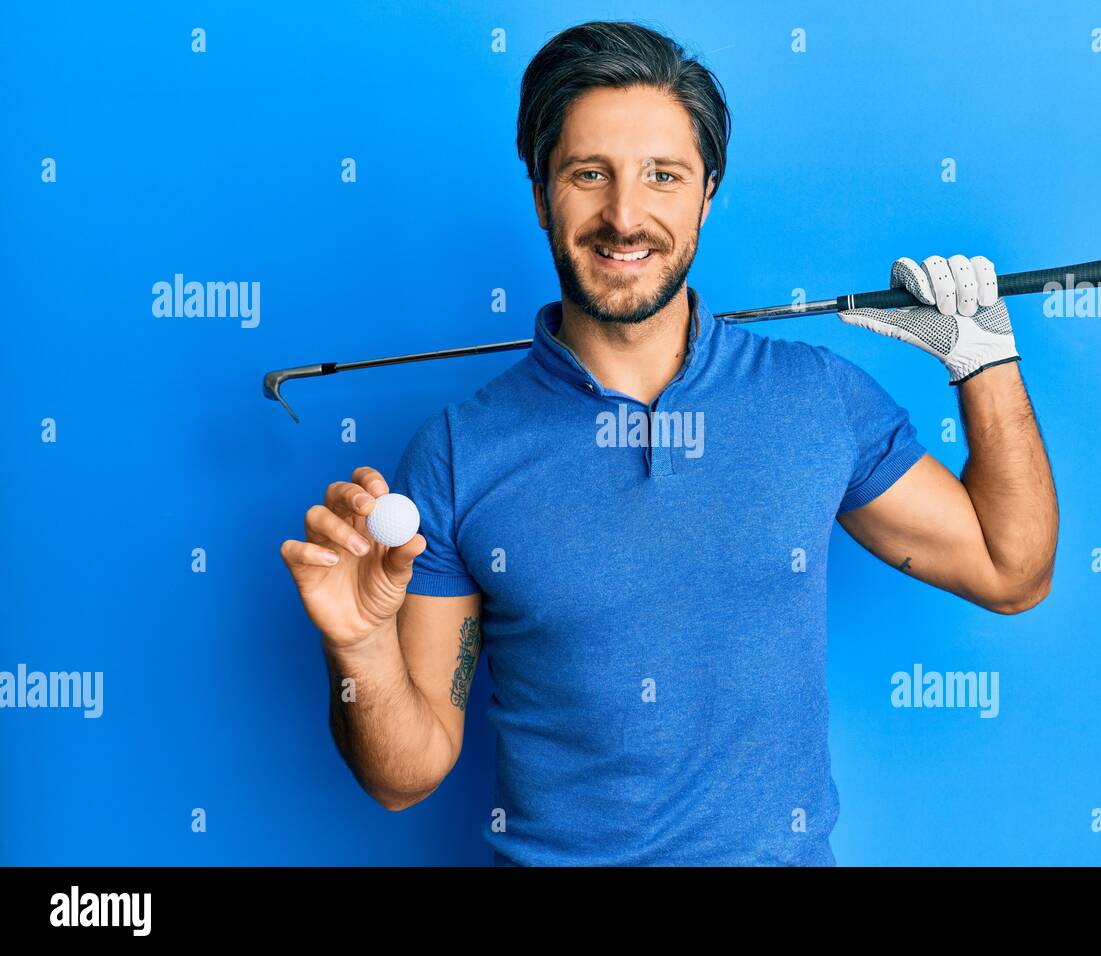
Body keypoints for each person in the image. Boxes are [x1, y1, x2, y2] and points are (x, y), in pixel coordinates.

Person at [279, 20, 1058, 866]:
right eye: (588, 174)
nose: (624, 215)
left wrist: (983, 358)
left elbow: (1011, 572)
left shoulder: (815, 399)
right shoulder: (459, 453)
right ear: (542, 195)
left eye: (662, 175)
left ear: (706, 193)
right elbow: (406, 776)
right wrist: (357, 647)